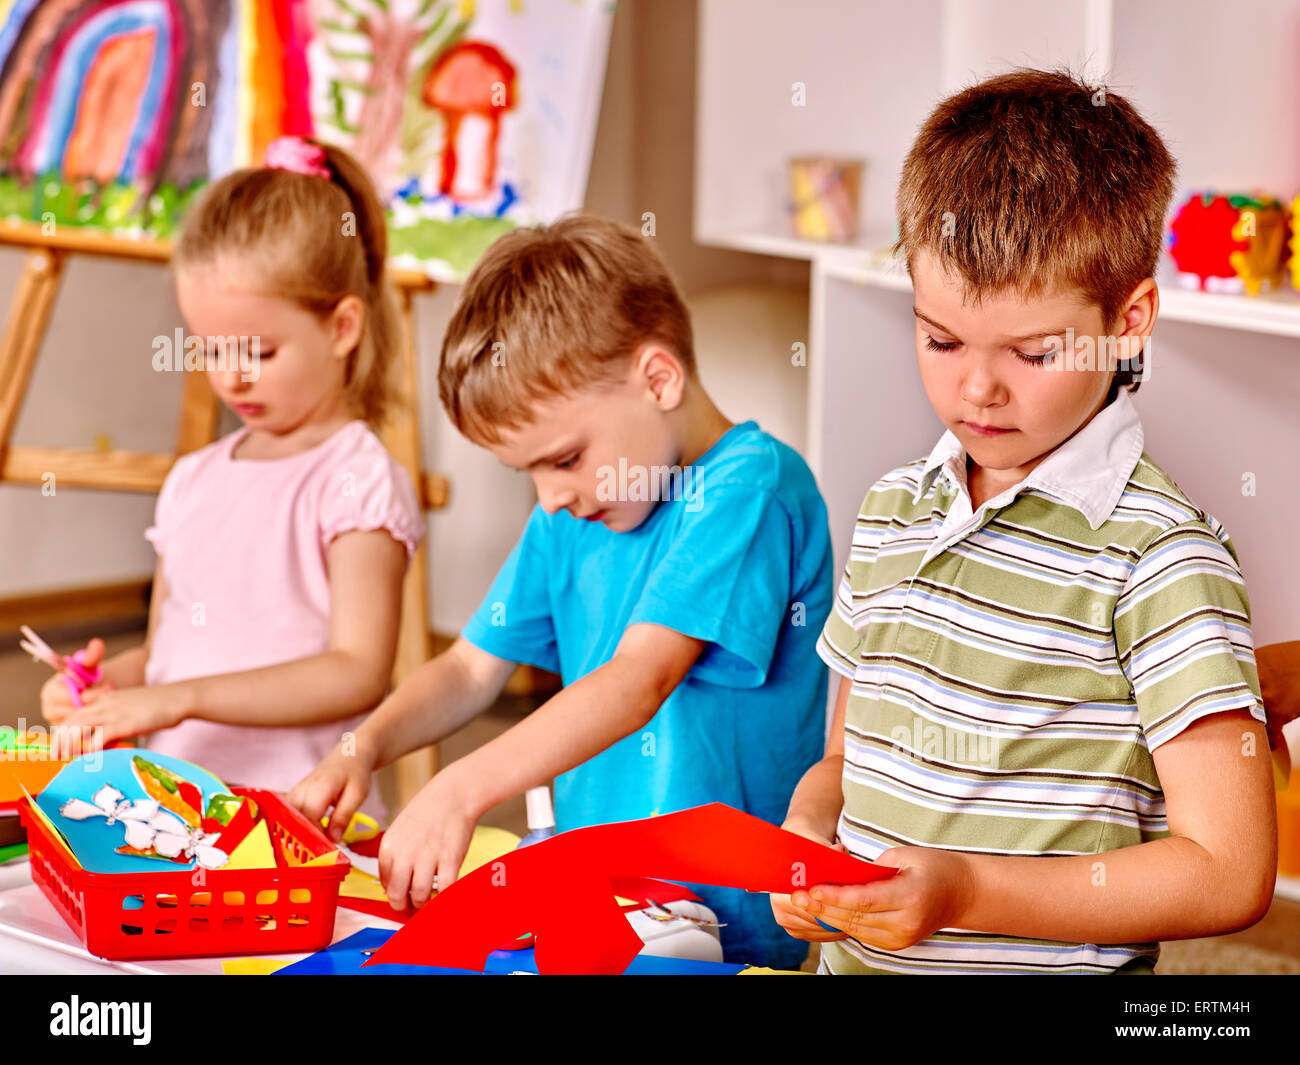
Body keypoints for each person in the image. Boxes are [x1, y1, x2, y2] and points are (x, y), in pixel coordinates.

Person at [773, 69, 1277, 974]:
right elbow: (847, 757)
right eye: (940, 337)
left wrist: (967, 891)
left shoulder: (1159, 558)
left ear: (1129, 322)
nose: (977, 389)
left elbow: (1230, 870)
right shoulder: (891, 511)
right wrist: (808, 832)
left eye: (1035, 351)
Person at [291, 213, 832, 968]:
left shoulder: (751, 486)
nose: (548, 497)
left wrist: (460, 784)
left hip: (716, 922)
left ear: (658, 378)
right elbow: (471, 669)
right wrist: (366, 744)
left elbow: (638, 681)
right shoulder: (577, 509)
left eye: (566, 457)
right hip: (599, 900)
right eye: (530, 473)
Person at [42, 137, 424, 818]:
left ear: (342, 327)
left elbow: (359, 670)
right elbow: (170, 657)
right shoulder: (192, 479)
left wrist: (179, 697)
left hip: (298, 834)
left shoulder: (356, 477)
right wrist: (104, 688)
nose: (232, 374)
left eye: (259, 349)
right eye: (212, 348)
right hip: (170, 820)